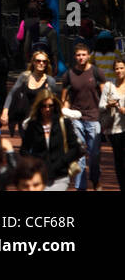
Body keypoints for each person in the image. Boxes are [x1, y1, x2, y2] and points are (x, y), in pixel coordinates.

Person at [60, 40, 105, 190]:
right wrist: (65, 113)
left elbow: (104, 95)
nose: (81, 57)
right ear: (74, 57)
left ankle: (95, 178)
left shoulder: (96, 72)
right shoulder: (69, 74)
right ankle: (81, 187)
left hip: (93, 117)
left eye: (83, 55)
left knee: (94, 154)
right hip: (76, 118)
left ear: (88, 56)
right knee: (79, 155)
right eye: (78, 55)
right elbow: (64, 98)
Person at [19, 88, 83, 191]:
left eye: (50, 106)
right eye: (44, 106)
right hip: (39, 176)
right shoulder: (33, 125)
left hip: (60, 176)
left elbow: (75, 148)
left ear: (55, 106)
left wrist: (62, 162)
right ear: (39, 107)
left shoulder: (64, 123)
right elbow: (24, 150)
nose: (47, 109)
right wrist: (35, 163)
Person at [1, 52, 59, 135]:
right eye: (38, 61)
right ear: (33, 62)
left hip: (41, 119)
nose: (41, 63)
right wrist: (5, 112)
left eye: (44, 61)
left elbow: (54, 101)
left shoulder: (50, 81)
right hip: (25, 119)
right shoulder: (25, 77)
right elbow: (12, 93)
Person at [99, 56, 125, 192]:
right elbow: (101, 107)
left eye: (121, 68)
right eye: (116, 68)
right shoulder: (109, 86)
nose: (119, 71)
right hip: (115, 129)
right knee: (119, 161)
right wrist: (109, 105)